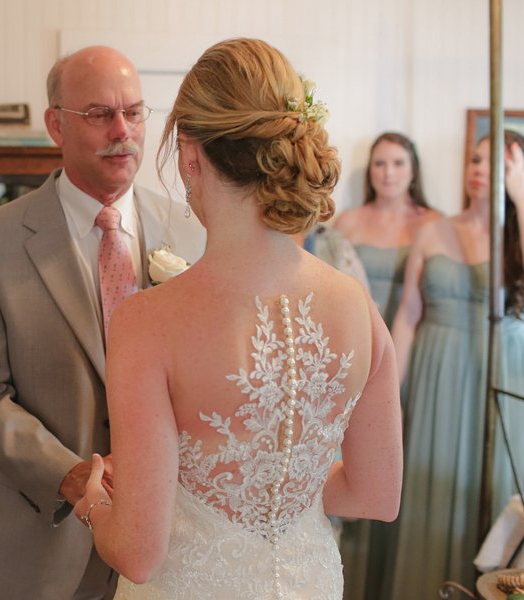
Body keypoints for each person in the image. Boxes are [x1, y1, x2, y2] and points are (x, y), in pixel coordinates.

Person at [72, 38, 404, 599]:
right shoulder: (358, 308)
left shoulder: (147, 321)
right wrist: (279, 489)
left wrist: (95, 500)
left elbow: (138, 552)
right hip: (310, 583)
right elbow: (376, 496)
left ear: (190, 155)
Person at [0, 46, 206, 600]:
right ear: (55, 125)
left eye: (134, 112)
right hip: (47, 540)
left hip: (173, 539)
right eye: (99, 114)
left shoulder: (193, 232)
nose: (122, 130)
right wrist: (70, 476)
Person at [379, 130, 524, 598]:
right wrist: (388, 396)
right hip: (437, 375)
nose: (480, 169)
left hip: (504, 373)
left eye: (496, 163)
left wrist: (523, 195)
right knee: (431, 487)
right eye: (476, 159)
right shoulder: (434, 230)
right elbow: (409, 315)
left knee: (497, 487)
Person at [333, 132, 442, 326]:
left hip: (413, 333)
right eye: (379, 164)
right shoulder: (347, 221)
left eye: (399, 163)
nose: (388, 173)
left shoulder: (433, 223)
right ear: (370, 170)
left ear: (413, 170)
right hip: (358, 330)